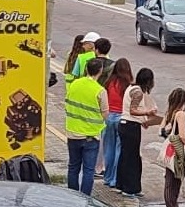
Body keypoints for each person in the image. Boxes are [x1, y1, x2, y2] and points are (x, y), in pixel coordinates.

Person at [64, 58, 109, 196]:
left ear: (86, 69)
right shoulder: (100, 90)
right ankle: (85, 198)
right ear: (100, 71)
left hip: (73, 133)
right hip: (91, 136)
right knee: (88, 170)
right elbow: (105, 114)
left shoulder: (75, 84)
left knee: (73, 167)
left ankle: (72, 196)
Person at [117, 68, 157, 198]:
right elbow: (133, 110)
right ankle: (130, 188)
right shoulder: (138, 92)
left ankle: (122, 185)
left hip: (125, 125)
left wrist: (144, 120)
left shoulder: (131, 87)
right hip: (131, 127)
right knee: (132, 158)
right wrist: (148, 113)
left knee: (126, 156)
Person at [101, 58, 132, 188]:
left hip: (109, 116)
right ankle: (115, 179)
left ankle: (107, 177)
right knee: (119, 150)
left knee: (108, 149)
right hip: (121, 118)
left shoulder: (109, 82)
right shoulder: (127, 85)